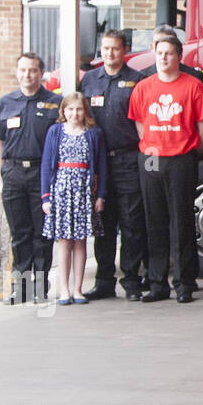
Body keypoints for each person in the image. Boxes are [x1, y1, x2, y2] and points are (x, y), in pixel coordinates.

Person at [128, 35, 203, 303]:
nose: (163, 58)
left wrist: (185, 154)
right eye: (160, 52)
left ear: (179, 56)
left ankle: (185, 283)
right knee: (155, 222)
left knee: (183, 222)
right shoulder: (143, 87)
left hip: (182, 159)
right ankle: (157, 283)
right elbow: (140, 125)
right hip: (151, 160)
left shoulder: (194, 87)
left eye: (169, 53)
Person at [79, 30, 147, 301]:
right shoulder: (89, 80)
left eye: (115, 49)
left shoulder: (137, 81)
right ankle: (104, 281)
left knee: (132, 224)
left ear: (125, 50)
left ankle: (131, 280)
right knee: (103, 225)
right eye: (105, 48)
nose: (110, 54)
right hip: (98, 163)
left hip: (129, 160)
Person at [0, 53, 61, 304]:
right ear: (17, 72)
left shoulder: (55, 103)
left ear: (41, 73)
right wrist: (1, 178)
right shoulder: (6, 102)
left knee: (42, 234)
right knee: (19, 234)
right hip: (13, 174)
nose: (27, 75)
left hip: (41, 175)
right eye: (22, 70)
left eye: (32, 70)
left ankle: (40, 287)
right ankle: (20, 288)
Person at [40, 93, 107, 305]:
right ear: (63, 111)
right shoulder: (55, 132)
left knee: (80, 242)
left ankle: (78, 289)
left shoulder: (93, 134)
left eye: (78, 109)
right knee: (64, 242)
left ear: (85, 111)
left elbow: (102, 167)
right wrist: (46, 196)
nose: (74, 114)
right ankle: (64, 290)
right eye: (70, 109)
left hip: (84, 191)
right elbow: (46, 164)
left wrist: (101, 195)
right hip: (61, 190)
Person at [139, 25, 203, 87]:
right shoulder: (142, 77)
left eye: (168, 42)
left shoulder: (195, 76)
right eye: (159, 42)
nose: (164, 46)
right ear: (152, 47)